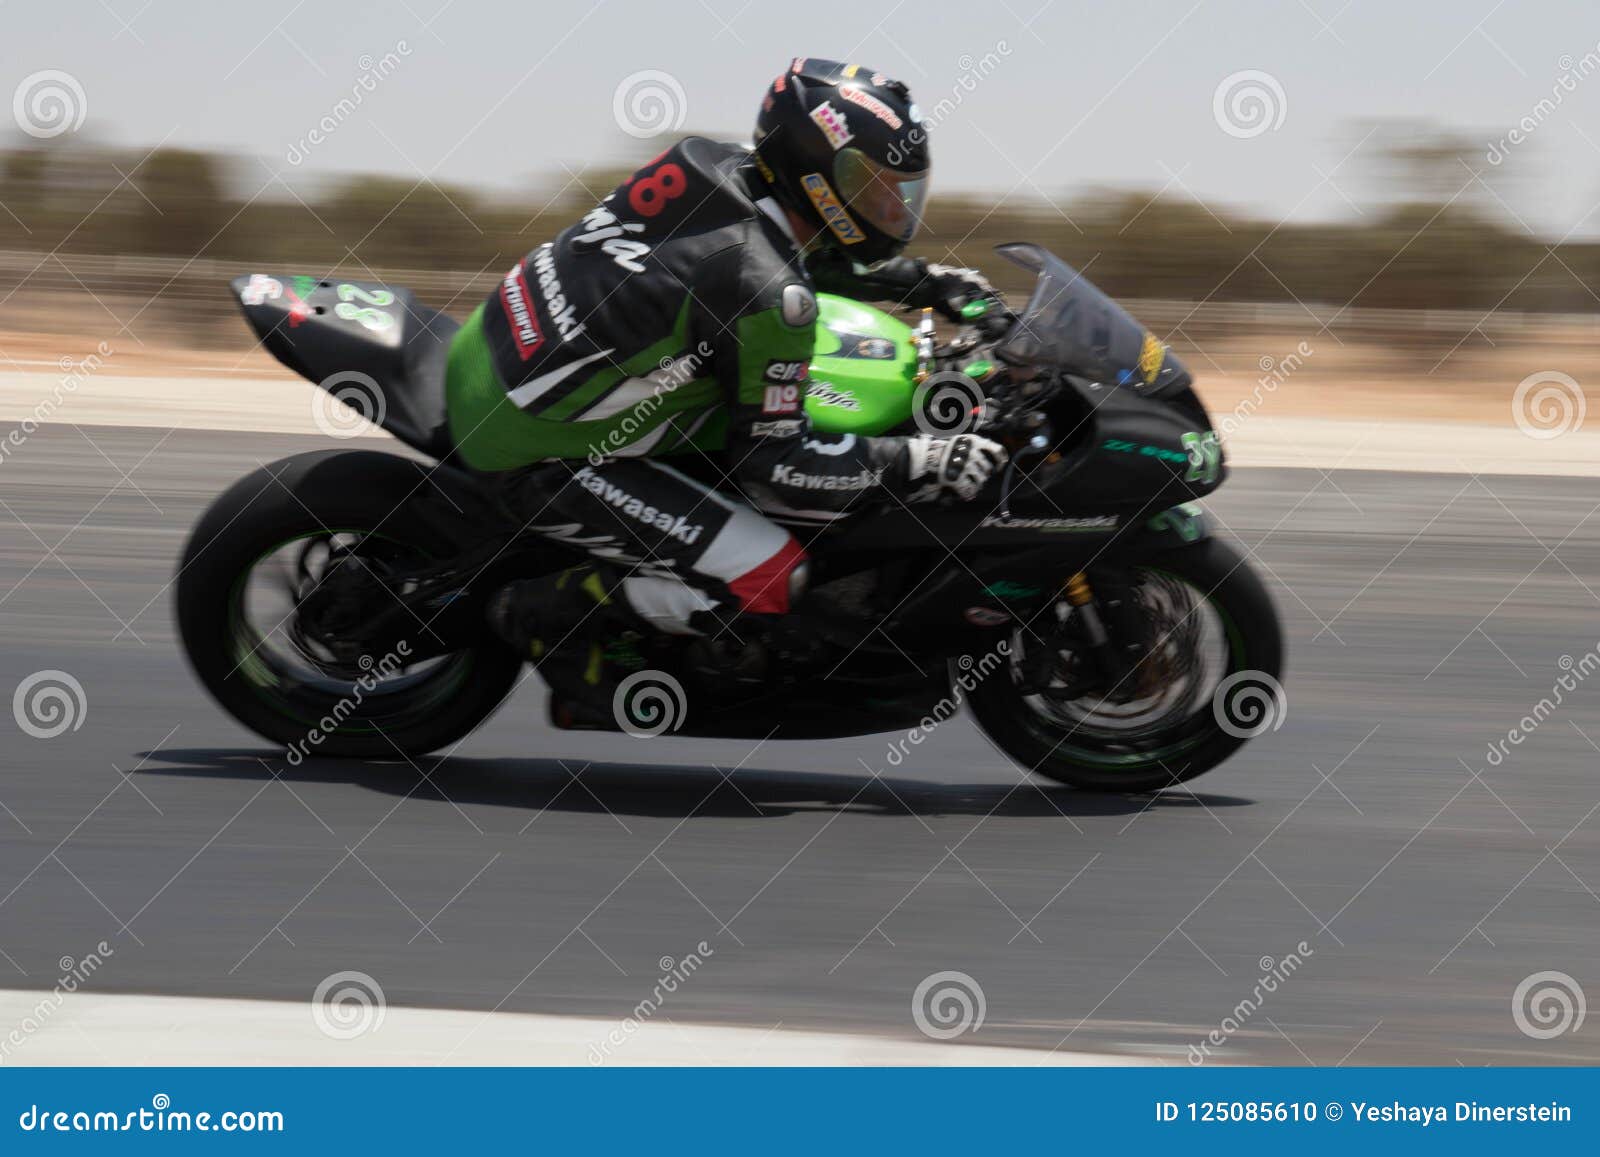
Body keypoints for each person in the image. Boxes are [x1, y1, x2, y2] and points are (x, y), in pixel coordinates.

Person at [442, 56, 1007, 724]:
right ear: (816, 169)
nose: (891, 205)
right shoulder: (772, 296)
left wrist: (923, 281)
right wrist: (917, 461)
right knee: (772, 575)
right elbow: (779, 468)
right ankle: (546, 612)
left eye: (899, 189)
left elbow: (773, 253)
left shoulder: (715, 162)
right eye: (873, 184)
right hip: (531, 440)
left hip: (494, 343)